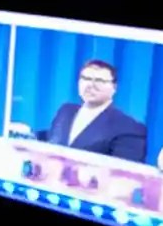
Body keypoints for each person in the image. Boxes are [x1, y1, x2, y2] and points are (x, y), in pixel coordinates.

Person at [10, 60, 147, 163]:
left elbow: (124, 178)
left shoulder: (129, 128)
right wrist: (27, 133)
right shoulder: (66, 111)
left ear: (114, 87)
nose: (91, 85)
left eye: (99, 80)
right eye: (85, 78)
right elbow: (53, 138)